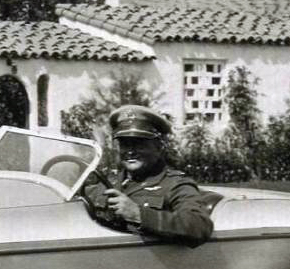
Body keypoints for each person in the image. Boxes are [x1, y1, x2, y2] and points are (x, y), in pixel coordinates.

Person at [83, 105, 214, 247]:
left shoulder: (175, 184)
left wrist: (139, 215)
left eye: (139, 144)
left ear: (158, 147)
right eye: (125, 144)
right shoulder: (109, 182)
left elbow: (199, 226)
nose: (130, 152)